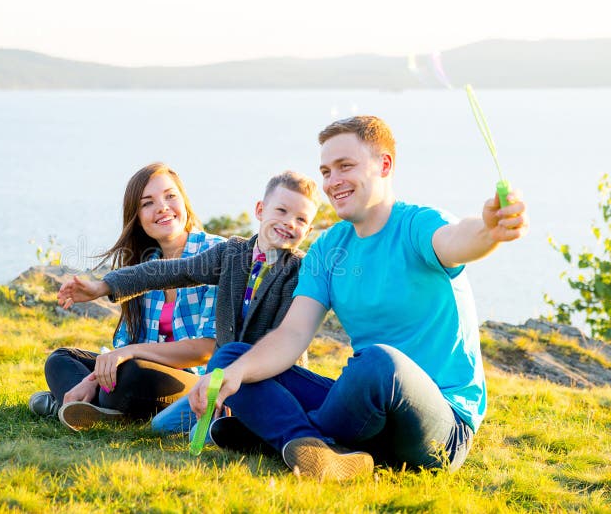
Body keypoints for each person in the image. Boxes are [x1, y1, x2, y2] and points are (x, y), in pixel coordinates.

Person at [188, 115, 530, 481]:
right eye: (325, 171)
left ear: (384, 165)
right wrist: (236, 374)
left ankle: (284, 433)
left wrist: (489, 231)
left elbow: (458, 240)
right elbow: (291, 336)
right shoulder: (328, 249)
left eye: (344, 166)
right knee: (231, 357)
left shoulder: (417, 225)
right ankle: (311, 447)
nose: (332, 182)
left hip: (439, 424)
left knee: (380, 364)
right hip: (368, 408)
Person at [58, 171, 320, 442]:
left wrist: (231, 386)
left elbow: (278, 345)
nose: (289, 223)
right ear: (260, 210)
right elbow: (167, 272)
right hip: (219, 380)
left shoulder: (297, 271)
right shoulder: (232, 253)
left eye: (301, 219)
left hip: (264, 381)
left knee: (206, 434)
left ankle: (252, 428)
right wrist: (104, 286)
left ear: (309, 230)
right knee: (161, 427)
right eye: (282, 211)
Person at [28, 162, 224, 430]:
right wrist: (93, 378)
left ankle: (68, 404)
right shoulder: (141, 265)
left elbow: (206, 350)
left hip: (193, 380)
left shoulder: (216, 253)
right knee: (61, 359)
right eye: (147, 203)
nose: (162, 207)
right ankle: (94, 406)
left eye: (170, 196)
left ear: (184, 201)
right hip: (138, 373)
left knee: (131, 375)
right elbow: (124, 346)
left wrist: (128, 355)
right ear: (138, 217)